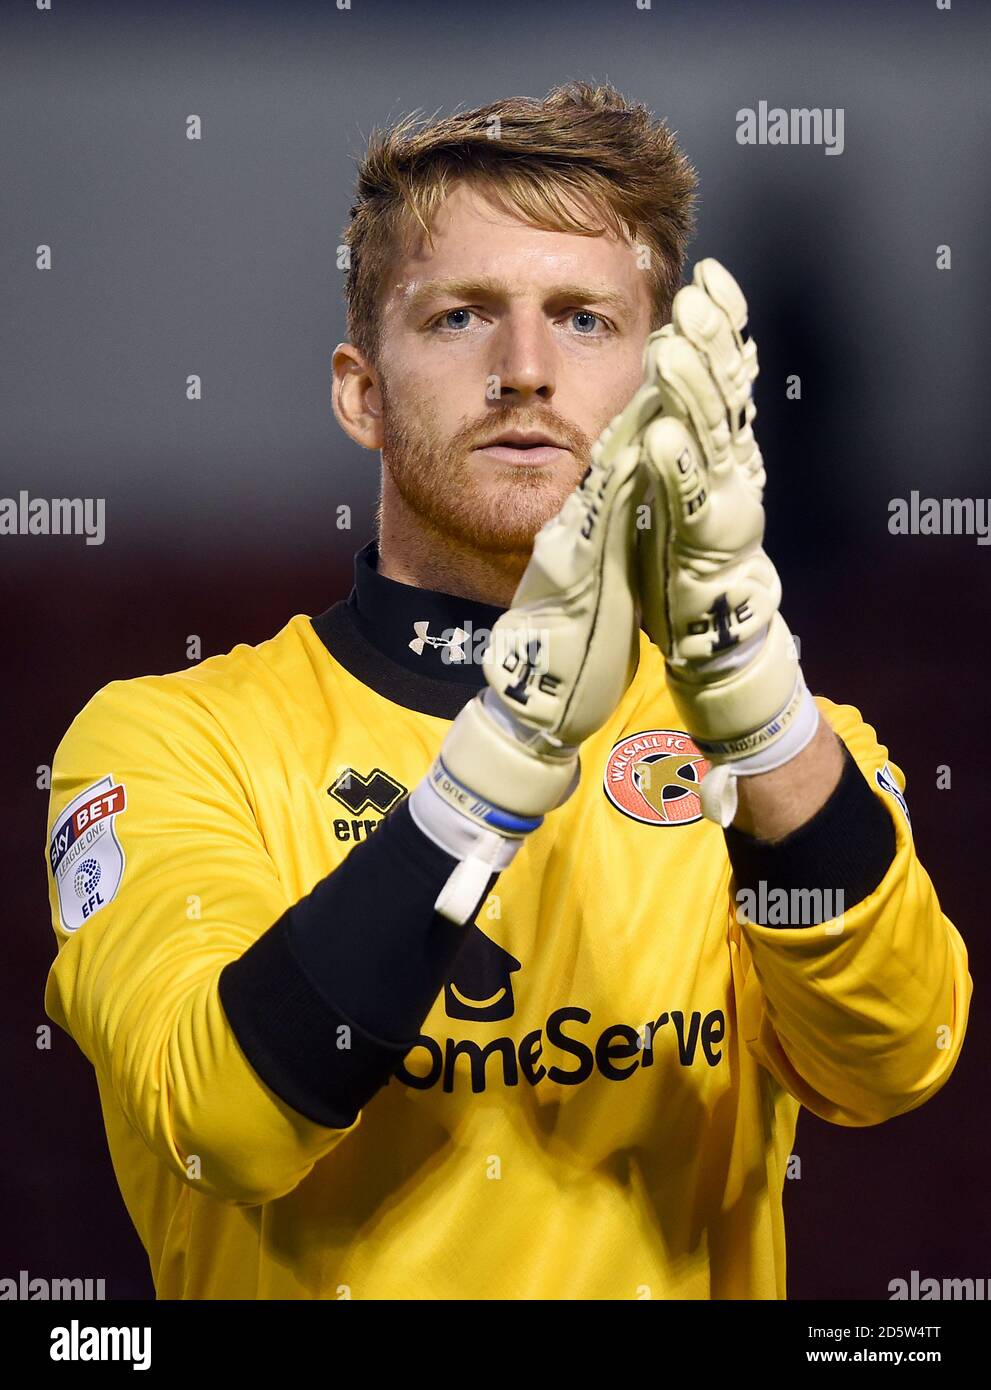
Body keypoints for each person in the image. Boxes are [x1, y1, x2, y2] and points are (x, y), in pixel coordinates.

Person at [44, 81, 971, 1300]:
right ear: (360, 391)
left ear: (655, 385)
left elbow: (895, 1061)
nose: (526, 369)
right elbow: (223, 1121)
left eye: (585, 320)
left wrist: (754, 700)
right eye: (460, 317)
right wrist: (499, 761)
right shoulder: (166, 742)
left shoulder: (787, 759)